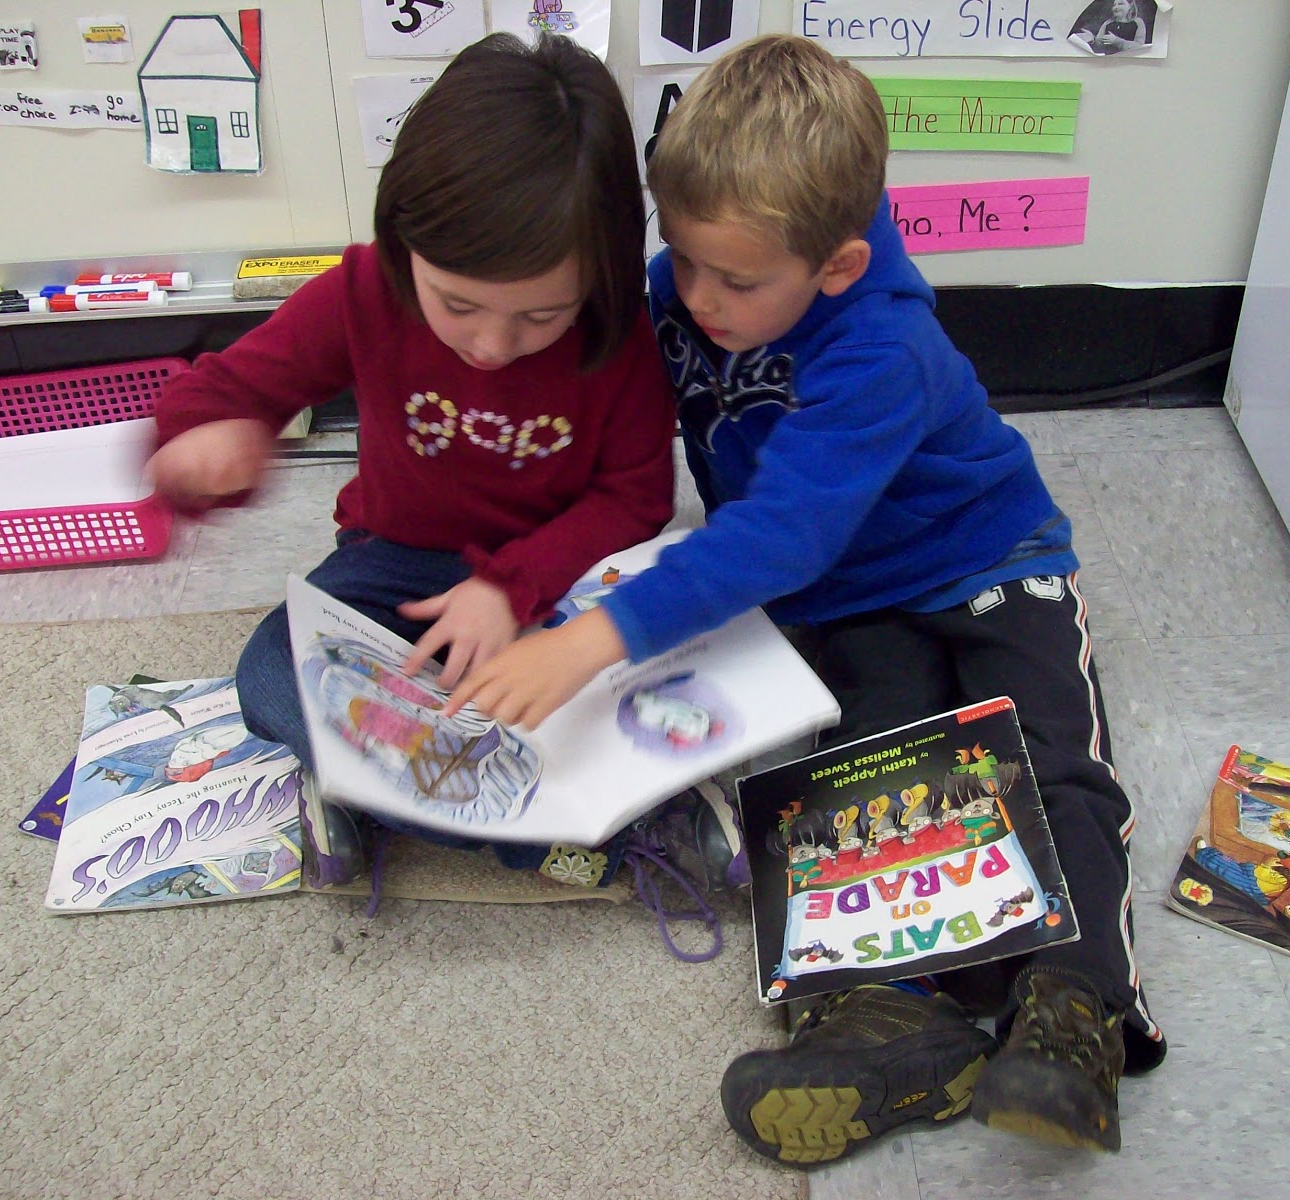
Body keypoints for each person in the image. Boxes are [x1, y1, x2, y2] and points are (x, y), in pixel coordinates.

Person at [446, 33, 1167, 1163]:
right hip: (845, 600)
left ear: (834, 265)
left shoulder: (883, 345)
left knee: (1047, 765)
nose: (698, 300)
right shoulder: (687, 285)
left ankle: (1071, 1011)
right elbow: (591, 382)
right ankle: (877, 1018)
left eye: (735, 281)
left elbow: (778, 535)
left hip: (987, 568)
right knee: (849, 780)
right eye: (682, 262)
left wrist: (591, 640)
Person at [147, 32, 677, 897]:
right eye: (457, 304)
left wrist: (510, 587)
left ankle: (378, 794)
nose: (491, 346)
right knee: (271, 676)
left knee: (626, 689)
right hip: (389, 566)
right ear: (402, 243)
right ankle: (525, 828)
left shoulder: (619, 336)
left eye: (542, 317)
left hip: (555, 583)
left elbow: (636, 499)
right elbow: (221, 390)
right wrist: (210, 438)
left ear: (603, 274)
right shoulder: (363, 289)